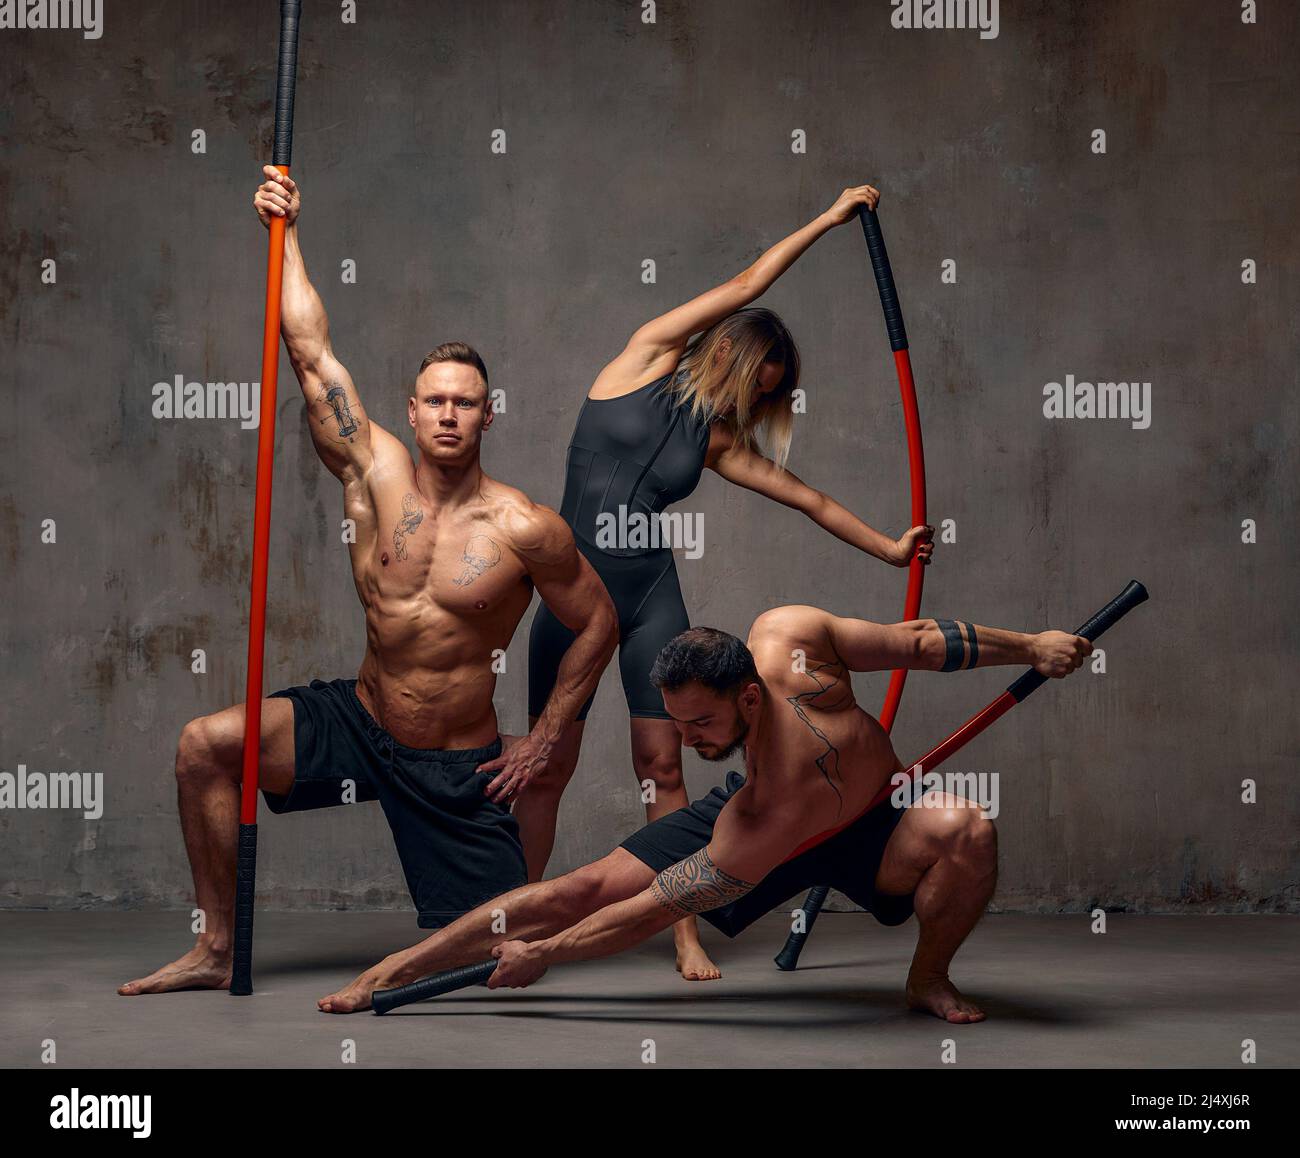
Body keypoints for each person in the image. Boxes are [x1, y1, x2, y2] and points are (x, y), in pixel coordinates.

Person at [119, 167, 617, 996]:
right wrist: (287, 230)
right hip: (360, 716)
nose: (451, 414)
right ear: (412, 411)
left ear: (489, 414)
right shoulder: (373, 470)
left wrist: (545, 738)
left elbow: (598, 622)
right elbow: (309, 351)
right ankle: (215, 949)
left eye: (467, 402)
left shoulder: (525, 528)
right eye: (436, 401)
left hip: (454, 764)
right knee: (206, 746)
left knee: (497, 956)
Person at [525, 183, 934, 981]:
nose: (757, 398)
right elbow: (749, 286)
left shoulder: (715, 442)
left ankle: (682, 930)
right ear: (731, 353)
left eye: (770, 393)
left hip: (648, 597)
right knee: (546, 764)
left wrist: (889, 549)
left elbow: (806, 496)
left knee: (664, 766)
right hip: (574, 590)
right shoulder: (644, 355)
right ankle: (514, 909)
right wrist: (829, 216)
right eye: (758, 379)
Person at [320, 606, 1091, 1022]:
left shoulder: (779, 749)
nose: (685, 745)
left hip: (870, 828)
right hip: (765, 819)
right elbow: (638, 908)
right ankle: (398, 968)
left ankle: (927, 979)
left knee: (966, 827)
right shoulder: (759, 776)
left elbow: (921, 643)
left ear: (749, 694)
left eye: (699, 728)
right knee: (581, 885)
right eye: (676, 724)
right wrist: (546, 946)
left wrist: (1032, 644)